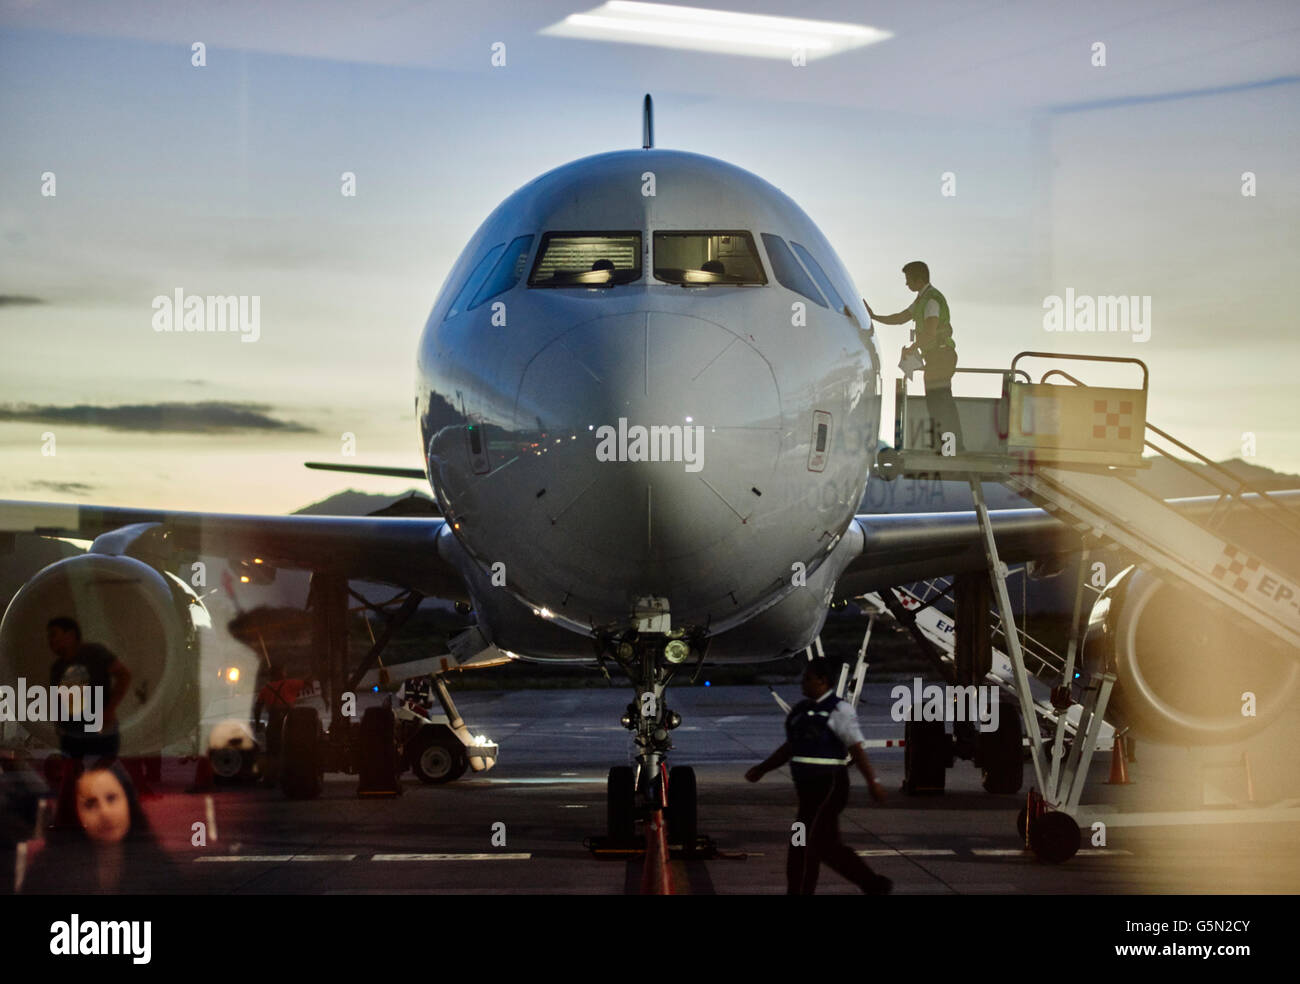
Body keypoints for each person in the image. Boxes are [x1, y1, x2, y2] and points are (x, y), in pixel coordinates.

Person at [746, 659, 892, 894]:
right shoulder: (799, 712)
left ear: (823, 681)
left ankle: (866, 885)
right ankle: (874, 885)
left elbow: (856, 749)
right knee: (814, 843)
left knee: (806, 842)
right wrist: (762, 768)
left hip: (830, 786)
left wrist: (872, 782)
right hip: (806, 791)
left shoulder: (839, 710)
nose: (802, 683)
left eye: (808, 678)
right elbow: (789, 748)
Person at [20, 760, 178, 893]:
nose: (105, 813)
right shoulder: (49, 873)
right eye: (90, 804)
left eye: (111, 798)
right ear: (75, 813)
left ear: (128, 803)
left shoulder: (159, 869)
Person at [866, 261, 965, 453]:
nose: (906, 284)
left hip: (941, 356)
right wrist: (875, 317)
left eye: (908, 280)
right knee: (938, 403)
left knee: (941, 404)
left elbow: (930, 331)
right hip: (936, 357)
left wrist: (913, 347)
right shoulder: (922, 299)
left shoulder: (931, 301)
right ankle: (947, 447)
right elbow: (901, 317)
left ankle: (951, 448)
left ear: (919, 280)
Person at [46, 615, 131, 764]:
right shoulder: (57, 668)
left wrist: (109, 711)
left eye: (54, 634)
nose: (50, 641)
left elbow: (123, 675)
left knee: (102, 775)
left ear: (70, 635)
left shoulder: (95, 653)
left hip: (101, 733)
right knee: (74, 778)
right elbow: (57, 699)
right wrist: (59, 723)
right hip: (72, 735)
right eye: (49, 637)